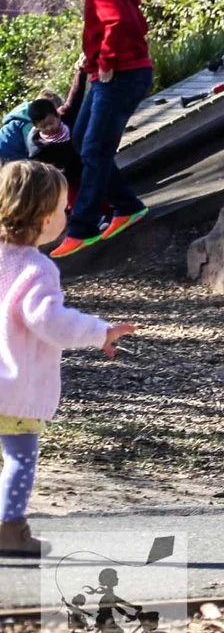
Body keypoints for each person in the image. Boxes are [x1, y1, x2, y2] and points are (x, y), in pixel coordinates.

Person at [0, 158, 134, 556]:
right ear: (43, 219)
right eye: (63, 208)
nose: (67, 213)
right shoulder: (36, 269)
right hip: (14, 388)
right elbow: (48, 320)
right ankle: (9, 530)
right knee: (20, 458)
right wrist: (99, 332)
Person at [43, 0, 150, 257]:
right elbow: (126, 22)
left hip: (119, 75)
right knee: (79, 140)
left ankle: (83, 227)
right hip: (115, 74)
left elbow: (118, 22)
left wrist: (105, 62)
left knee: (94, 148)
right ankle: (127, 206)